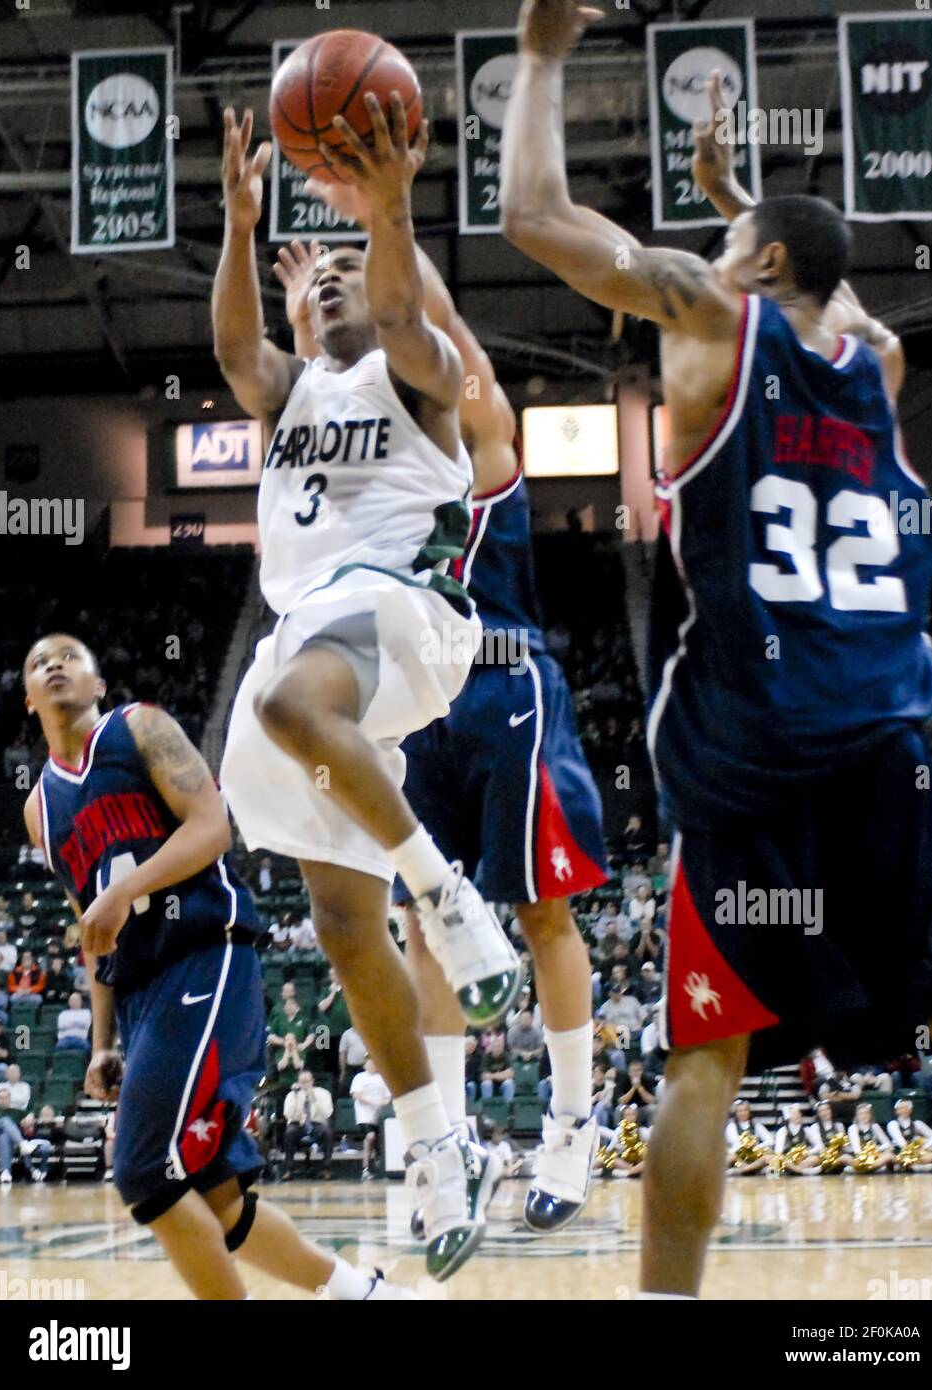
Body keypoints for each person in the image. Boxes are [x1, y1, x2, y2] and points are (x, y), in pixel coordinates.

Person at [502, 0, 932, 1296]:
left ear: (749, 264)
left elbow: (532, 222)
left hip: (754, 759)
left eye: (730, 241)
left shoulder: (712, 313)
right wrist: (746, 198)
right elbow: (821, 282)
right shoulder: (872, 364)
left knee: (705, 1055)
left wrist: (541, 53)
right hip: (885, 738)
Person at [212, 100, 513, 1280]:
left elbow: (402, 307)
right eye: (313, 278)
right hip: (317, 646)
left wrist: (385, 212)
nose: (330, 283)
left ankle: (449, 898)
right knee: (342, 928)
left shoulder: (419, 374)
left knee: (287, 705)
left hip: (405, 615)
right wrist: (241, 230)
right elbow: (239, 358)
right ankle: (443, 1149)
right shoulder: (291, 397)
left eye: (346, 271)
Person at [282, 162, 609, 1239]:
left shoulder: (471, 435)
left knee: (542, 908)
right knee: (426, 921)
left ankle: (571, 1122)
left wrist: (378, 214)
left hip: (504, 685)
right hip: (406, 703)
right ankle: (450, 1144)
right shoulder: (351, 458)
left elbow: (438, 317)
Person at [23, 632, 411, 1300]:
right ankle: (367, 1295)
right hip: (142, 996)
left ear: (98, 685)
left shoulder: (140, 726)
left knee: (144, 1175)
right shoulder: (38, 808)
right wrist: (103, 1041)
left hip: (206, 958)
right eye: (37, 662)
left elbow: (211, 828)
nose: (54, 664)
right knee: (218, 1197)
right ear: (28, 700)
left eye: (70, 656)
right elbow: (94, 927)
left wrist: (122, 891)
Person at [282, 1070, 334, 1180]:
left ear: (312, 1081)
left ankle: (326, 1169)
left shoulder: (323, 1093)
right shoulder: (292, 1095)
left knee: (327, 1133)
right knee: (289, 1133)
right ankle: (289, 1169)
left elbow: (327, 1113)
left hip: (317, 1123)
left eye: (307, 1081)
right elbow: (288, 1114)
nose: (305, 1084)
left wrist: (314, 1099)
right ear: (298, 1082)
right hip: (297, 1123)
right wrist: (296, 1098)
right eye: (302, 1081)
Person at [350, 1057, 392, 1181]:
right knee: (370, 1137)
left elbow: (387, 1097)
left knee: (380, 1141)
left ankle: (380, 1167)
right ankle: (365, 1168)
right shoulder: (359, 1077)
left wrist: (381, 1103)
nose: (372, 1064)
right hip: (364, 1115)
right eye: (369, 1062)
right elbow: (357, 1094)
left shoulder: (382, 1078)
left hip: (379, 1116)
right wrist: (373, 1102)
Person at [886, 1097, 932, 1171]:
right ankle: (909, 1165)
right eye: (901, 1108)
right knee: (889, 1157)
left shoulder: (917, 1124)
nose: (903, 1110)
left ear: (910, 1110)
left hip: (915, 1153)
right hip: (899, 1152)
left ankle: (910, 1165)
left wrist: (924, 1147)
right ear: (896, 1111)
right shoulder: (893, 1124)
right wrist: (907, 1151)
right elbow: (900, 1140)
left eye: (906, 1108)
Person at [724, 1100, 772, 1175]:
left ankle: (746, 1169)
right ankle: (748, 1168)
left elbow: (770, 1140)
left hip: (754, 1157)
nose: (743, 1113)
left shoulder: (755, 1124)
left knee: (768, 1157)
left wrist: (757, 1147)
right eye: (740, 1111)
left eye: (746, 1110)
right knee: (731, 1157)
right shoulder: (731, 1126)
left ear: (749, 1112)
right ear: (736, 1113)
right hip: (739, 1158)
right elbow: (737, 1144)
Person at [848, 1103, 893, 1173]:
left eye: (867, 1113)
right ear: (857, 1116)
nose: (864, 1116)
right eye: (861, 1113)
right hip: (859, 1157)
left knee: (889, 1155)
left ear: (870, 1115)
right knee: (845, 1159)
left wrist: (877, 1148)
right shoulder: (853, 1128)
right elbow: (856, 1149)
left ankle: (868, 1168)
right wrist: (864, 1156)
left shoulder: (875, 1126)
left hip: (874, 1156)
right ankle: (865, 1167)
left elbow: (888, 1144)